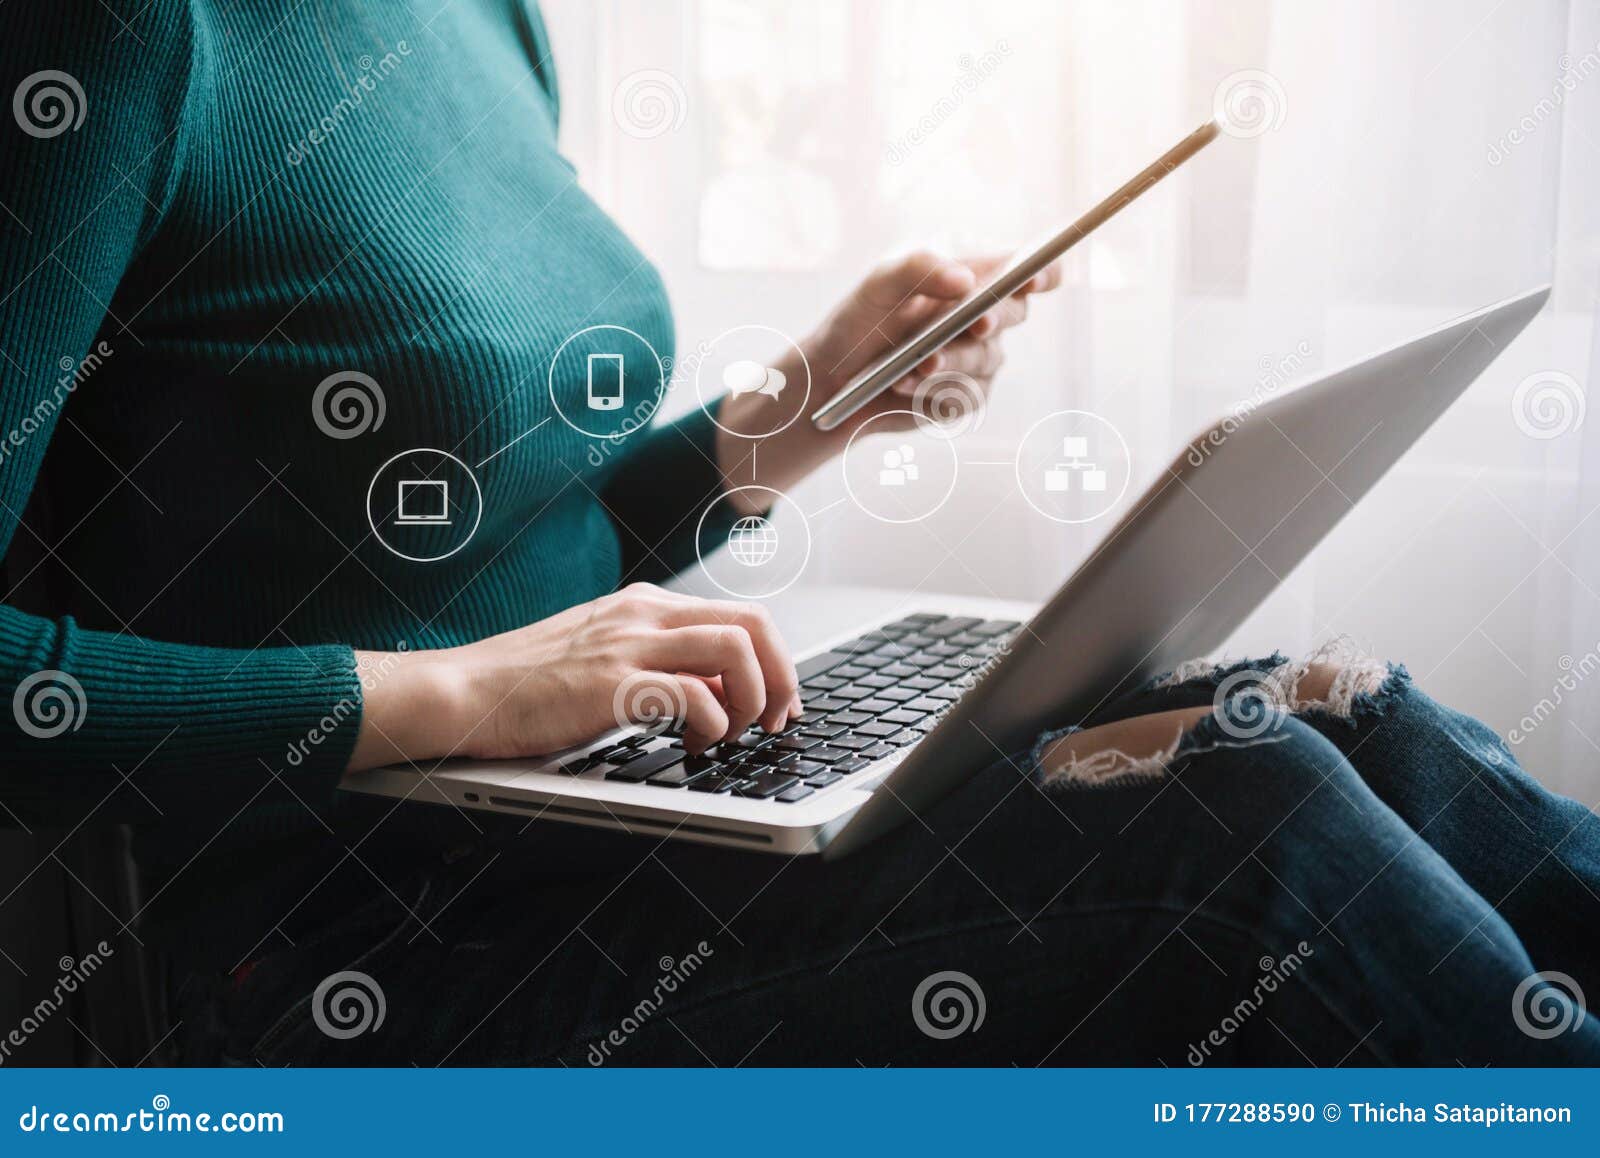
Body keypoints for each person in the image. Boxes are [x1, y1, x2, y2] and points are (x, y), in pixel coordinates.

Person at [2, 3, 1594, 1066]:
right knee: (1256, 829)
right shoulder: (112, 38)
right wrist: (457, 695)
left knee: (1344, 718)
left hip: (617, 812)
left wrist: (809, 402)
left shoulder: (484, 17)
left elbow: (522, 534)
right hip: (365, 958)